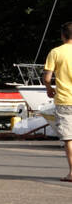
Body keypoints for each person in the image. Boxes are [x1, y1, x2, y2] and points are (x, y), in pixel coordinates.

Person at [42, 20, 72, 182]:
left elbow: (47, 77)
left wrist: (49, 88)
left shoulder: (55, 52)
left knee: (69, 138)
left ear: (62, 35)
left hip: (65, 100)